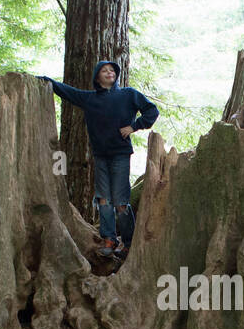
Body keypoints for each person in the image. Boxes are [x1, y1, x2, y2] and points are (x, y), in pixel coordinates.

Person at [38, 61, 159, 257]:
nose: (110, 73)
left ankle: (128, 243)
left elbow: (152, 111)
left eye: (112, 70)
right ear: (97, 77)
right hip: (100, 155)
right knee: (103, 199)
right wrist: (47, 81)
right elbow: (67, 91)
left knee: (120, 201)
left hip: (120, 154)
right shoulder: (90, 99)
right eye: (105, 70)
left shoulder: (128, 94)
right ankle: (109, 239)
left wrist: (134, 126)